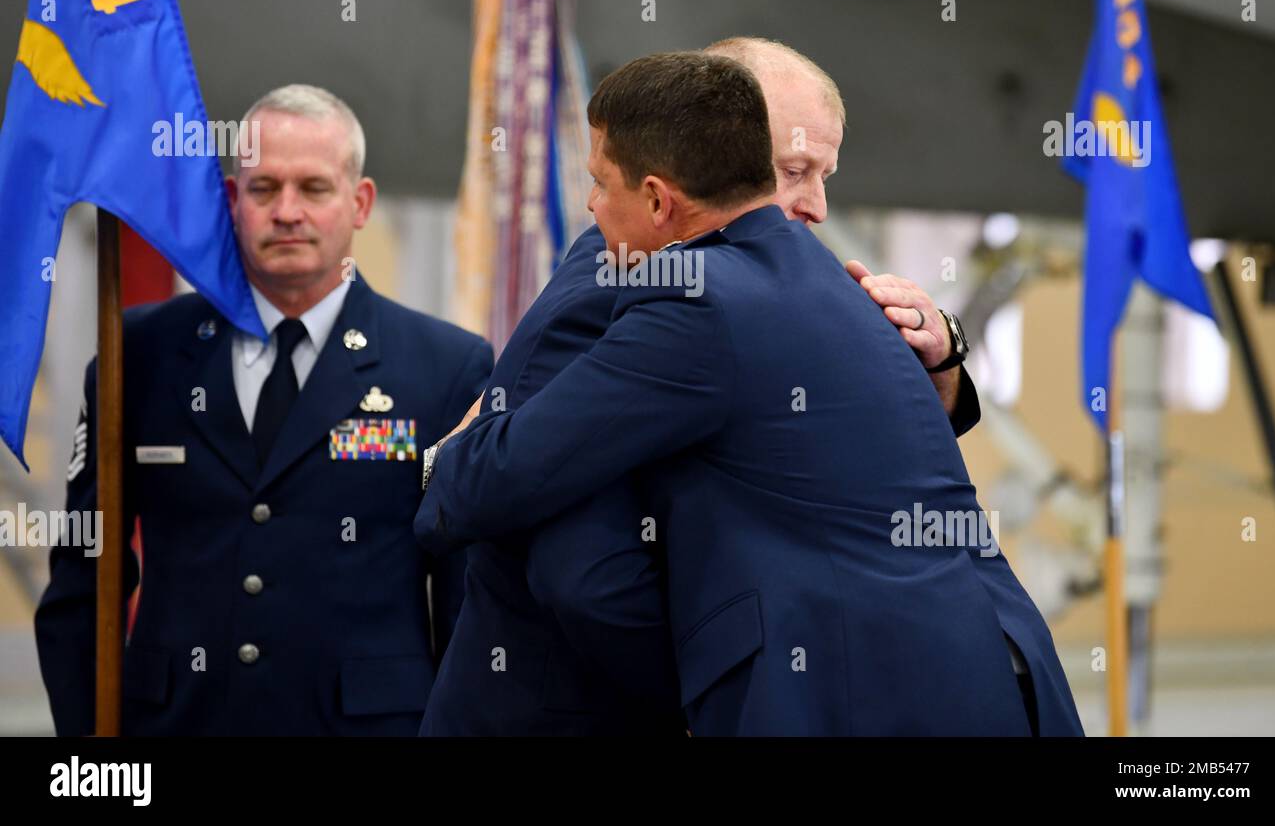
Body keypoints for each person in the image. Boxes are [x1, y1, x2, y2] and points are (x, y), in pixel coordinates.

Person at [421, 51, 1084, 736]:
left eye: (823, 174)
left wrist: (445, 455)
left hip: (846, 688)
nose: (817, 205)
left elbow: (580, 561)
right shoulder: (649, 270)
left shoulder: (717, 283)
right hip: (983, 668)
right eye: (793, 171)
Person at [35, 84, 492, 736]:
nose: (286, 212)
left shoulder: (445, 369)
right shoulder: (139, 355)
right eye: (263, 188)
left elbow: (467, 605)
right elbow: (83, 580)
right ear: (230, 199)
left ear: (359, 203)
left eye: (313, 188)